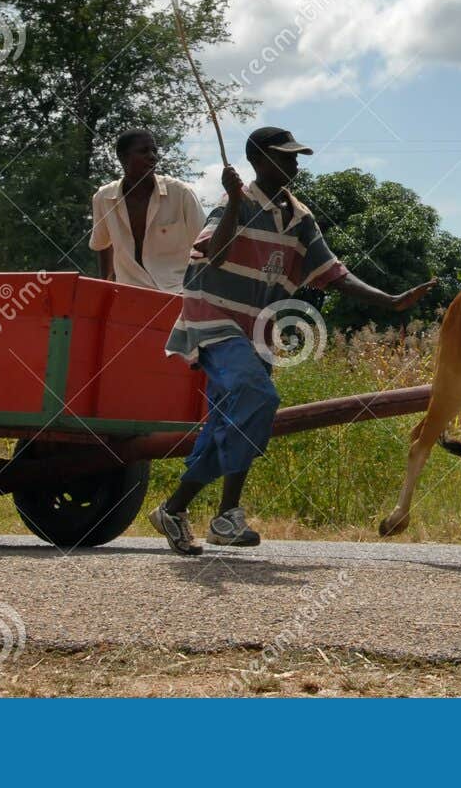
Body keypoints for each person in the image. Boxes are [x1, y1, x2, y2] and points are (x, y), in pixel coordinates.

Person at [148, 126, 436, 555]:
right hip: (214, 320)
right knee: (258, 396)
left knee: (229, 419)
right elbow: (218, 252)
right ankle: (225, 513)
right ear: (259, 160)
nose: (295, 165)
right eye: (286, 157)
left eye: (296, 157)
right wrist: (232, 202)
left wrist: (389, 301)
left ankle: (181, 510)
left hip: (258, 329)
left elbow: (333, 272)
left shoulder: (300, 217)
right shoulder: (235, 202)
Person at [89, 130, 204, 293]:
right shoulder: (103, 198)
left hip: (179, 290)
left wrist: (199, 290)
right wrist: (106, 286)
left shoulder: (181, 193)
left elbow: (204, 246)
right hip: (130, 292)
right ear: (123, 158)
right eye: (144, 151)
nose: (152, 157)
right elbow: (101, 244)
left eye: (154, 151)